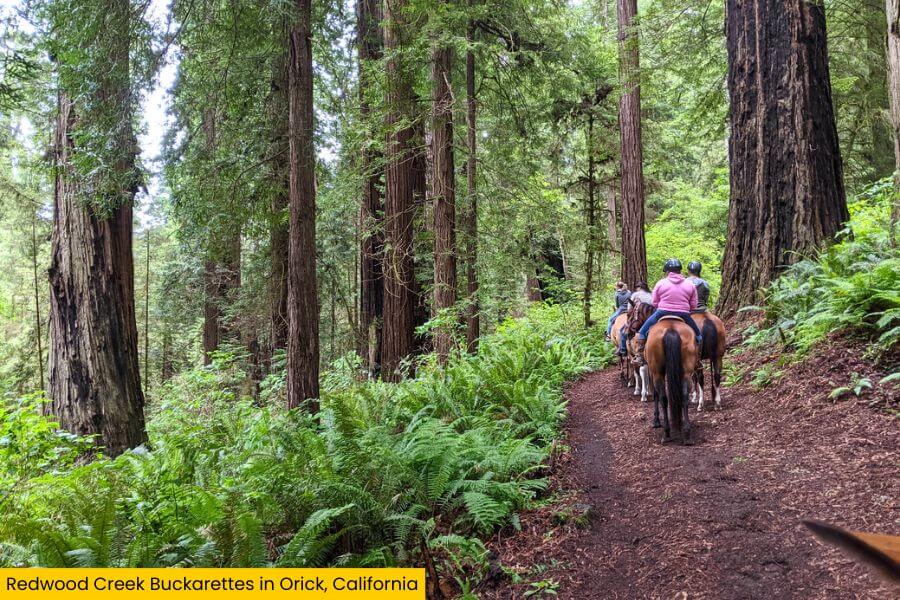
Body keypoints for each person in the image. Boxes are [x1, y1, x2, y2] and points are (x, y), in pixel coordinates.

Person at [633, 259, 702, 364]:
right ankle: (697, 357)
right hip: (683, 314)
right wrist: (685, 309)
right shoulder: (690, 284)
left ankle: (640, 356)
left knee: (642, 332)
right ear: (680, 270)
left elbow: (654, 301)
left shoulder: (661, 283)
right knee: (698, 335)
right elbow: (693, 304)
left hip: (662, 312)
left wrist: (661, 306)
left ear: (667, 271)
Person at [615, 281, 652, 356]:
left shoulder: (635, 294)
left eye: (637, 287)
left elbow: (629, 308)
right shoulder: (651, 295)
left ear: (639, 287)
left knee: (623, 331)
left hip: (638, 319)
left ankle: (623, 349)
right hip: (649, 318)